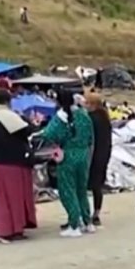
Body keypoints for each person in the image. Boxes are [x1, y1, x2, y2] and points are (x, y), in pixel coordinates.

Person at [0, 89, 38, 242]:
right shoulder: (9, 116)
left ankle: (7, 230)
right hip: (14, 162)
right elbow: (29, 130)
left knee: (2, 199)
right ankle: (13, 229)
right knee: (15, 199)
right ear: (6, 101)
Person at [41, 90, 95, 237]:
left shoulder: (60, 118)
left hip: (68, 155)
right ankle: (87, 221)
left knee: (68, 190)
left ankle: (74, 224)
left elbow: (49, 134)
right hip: (83, 154)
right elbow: (91, 137)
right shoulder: (84, 115)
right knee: (81, 189)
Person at [85, 92, 113, 226]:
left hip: (93, 154)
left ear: (92, 104)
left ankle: (84, 214)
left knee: (86, 184)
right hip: (104, 153)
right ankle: (96, 213)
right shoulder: (105, 117)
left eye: (87, 102)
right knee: (97, 186)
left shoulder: (90, 118)